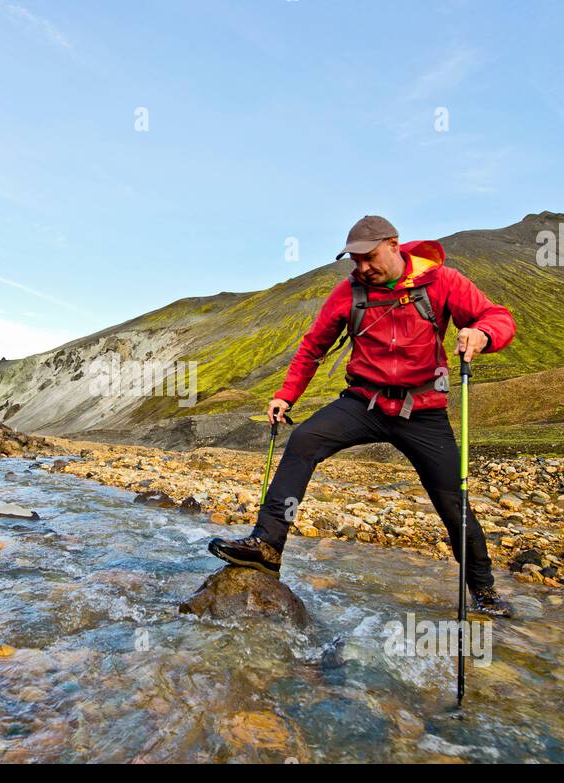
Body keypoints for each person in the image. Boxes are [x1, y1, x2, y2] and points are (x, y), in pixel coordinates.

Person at [207, 215, 518, 617]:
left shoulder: (442, 281)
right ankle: (267, 544)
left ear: (393, 244)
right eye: (355, 261)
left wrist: (483, 334)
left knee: (451, 501)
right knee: (304, 441)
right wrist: (286, 395)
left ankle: (484, 589)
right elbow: (313, 347)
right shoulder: (348, 293)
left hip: (422, 411)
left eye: (369, 257)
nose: (362, 268)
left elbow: (498, 317)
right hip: (363, 402)